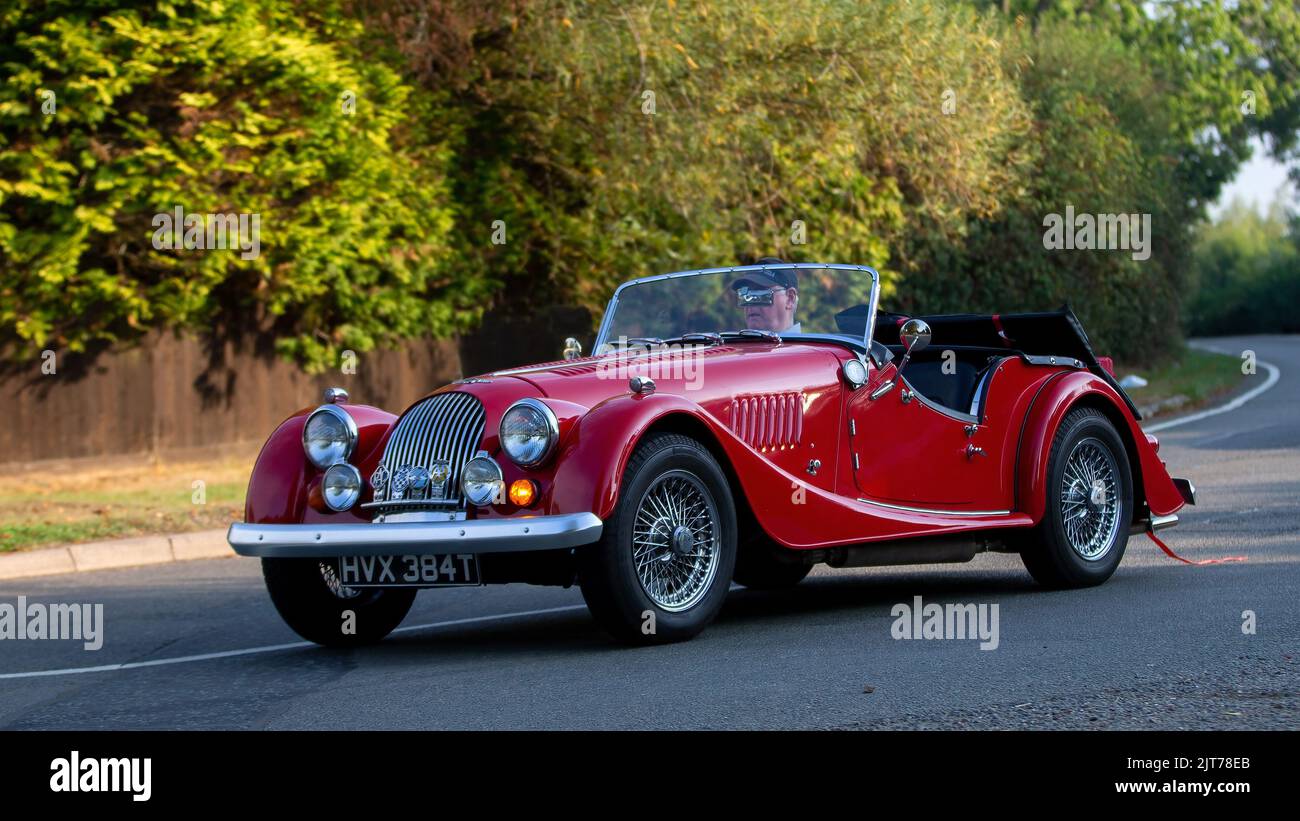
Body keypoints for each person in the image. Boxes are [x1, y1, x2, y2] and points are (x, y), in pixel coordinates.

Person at [731, 257, 801, 334]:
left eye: (762, 294)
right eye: (746, 295)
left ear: (790, 299)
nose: (750, 303)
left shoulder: (810, 345)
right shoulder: (732, 344)